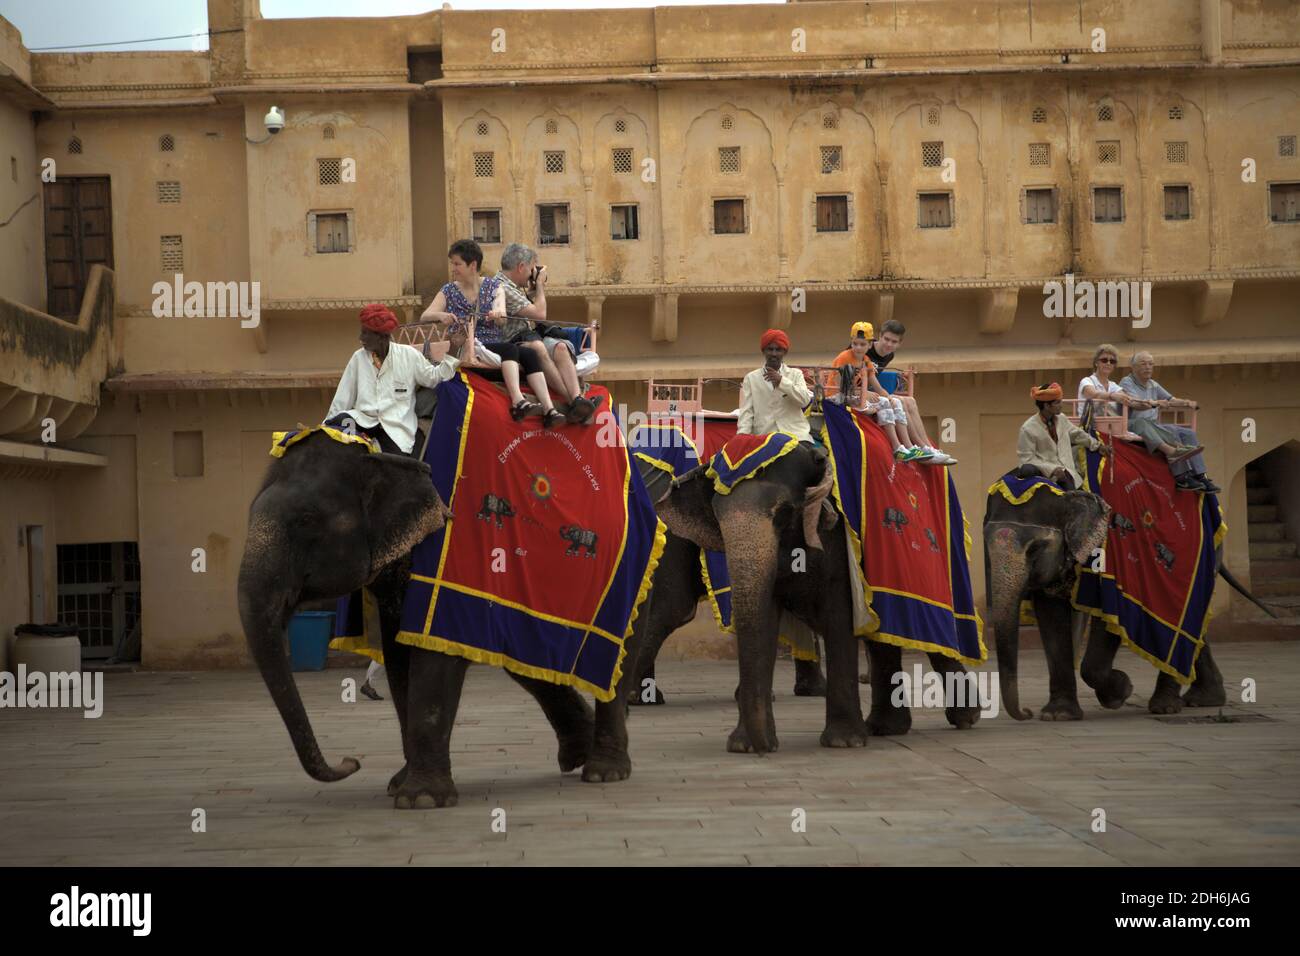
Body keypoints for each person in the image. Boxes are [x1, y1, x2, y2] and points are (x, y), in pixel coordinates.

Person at [421, 239, 566, 428]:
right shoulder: (448, 290)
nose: (453, 268)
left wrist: (498, 315)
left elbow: (501, 314)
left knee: (530, 354)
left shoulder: (494, 286)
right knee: (510, 350)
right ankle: (518, 401)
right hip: (466, 345)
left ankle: (549, 409)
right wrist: (441, 315)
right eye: (453, 264)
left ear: (472, 265)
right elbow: (426, 316)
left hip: (491, 345)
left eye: (457, 264)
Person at [326, 303, 461, 456]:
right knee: (341, 420)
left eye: (365, 334)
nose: (360, 338)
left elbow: (434, 378)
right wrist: (325, 426)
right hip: (363, 421)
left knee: (394, 463)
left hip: (395, 427)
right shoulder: (358, 358)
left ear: (381, 337)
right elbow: (343, 397)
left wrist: (452, 353)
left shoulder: (408, 355)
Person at [492, 242, 600, 424]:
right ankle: (574, 402)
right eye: (531, 268)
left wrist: (534, 288)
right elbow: (540, 314)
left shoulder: (515, 286)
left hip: (530, 335)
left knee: (560, 348)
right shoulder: (502, 286)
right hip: (515, 341)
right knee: (539, 348)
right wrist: (540, 284)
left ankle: (578, 400)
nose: (532, 273)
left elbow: (531, 310)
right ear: (521, 267)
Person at [1079, 343, 1200, 469]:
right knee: (1141, 423)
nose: (1108, 363)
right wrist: (1112, 396)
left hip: (1112, 424)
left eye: (1112, 361)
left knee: (1151, 424)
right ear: (1096, 363)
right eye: (1104, 360)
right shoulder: (1087, 381)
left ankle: (1178, 448)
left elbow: (1131, 400)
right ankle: (1170, 451)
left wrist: (1153, 403)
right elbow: (1091, 393)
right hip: (1091, 425)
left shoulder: (1113, 385)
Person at [1120, 351, 1219, 492]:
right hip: (1132, 423)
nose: (1148, 367)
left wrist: (1186, 402)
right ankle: (1181, 477)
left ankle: (1200, 475)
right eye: (1143, 364)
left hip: (1152, 425)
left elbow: (1170, 399)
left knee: (1187, 433)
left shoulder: (1153, 384)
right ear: (1133, 367)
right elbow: (1135, 403)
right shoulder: (1126, 382)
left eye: (1150, 364)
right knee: (1168, 429)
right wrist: (1155, 403)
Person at [865, 319, 956, 465]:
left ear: (899, 343)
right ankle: (916, 446)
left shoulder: (889, 355)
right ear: (880, 336)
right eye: (886, 339)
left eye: (894, 342)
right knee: (898, 401)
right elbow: (857, 373)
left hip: (871, 389)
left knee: (910, 401)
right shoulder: (866, 348)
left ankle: (928, 447)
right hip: (861, 391)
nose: (889, 344)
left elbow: (873, 376)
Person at [830, 321, 914, 457]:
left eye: (862, 344)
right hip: (839, 395)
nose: (858, 347)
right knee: (879, 403)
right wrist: (863, 393)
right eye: (855, 343)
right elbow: (840, 385)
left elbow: (877, 386)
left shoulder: (867, 360)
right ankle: (896, 445)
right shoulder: (845, 357)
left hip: (858, 395)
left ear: (869, 345)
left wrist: (889, 397)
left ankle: (902, 446)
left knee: (893, 402)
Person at [1016, 382, 1110, 490]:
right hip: (1047, 477)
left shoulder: (1061, 419)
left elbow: (1077, 434)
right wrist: (1052, 469)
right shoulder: (1028, 429)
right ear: (1047, 405)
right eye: (1057, 402)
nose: (1061, 405)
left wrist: (1098, 446)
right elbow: (1027, 459)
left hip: (1069, 473)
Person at [737, 329, 814, 444]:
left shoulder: (795, 374)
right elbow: (747, 412)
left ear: (785, 352)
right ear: (763, 351)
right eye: (770, 349)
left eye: (778, 350)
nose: (773, 354)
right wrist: (742, 437)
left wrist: (782, 382)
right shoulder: (751, 378)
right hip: (765, 437)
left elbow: (804, 401)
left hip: (796, 436)